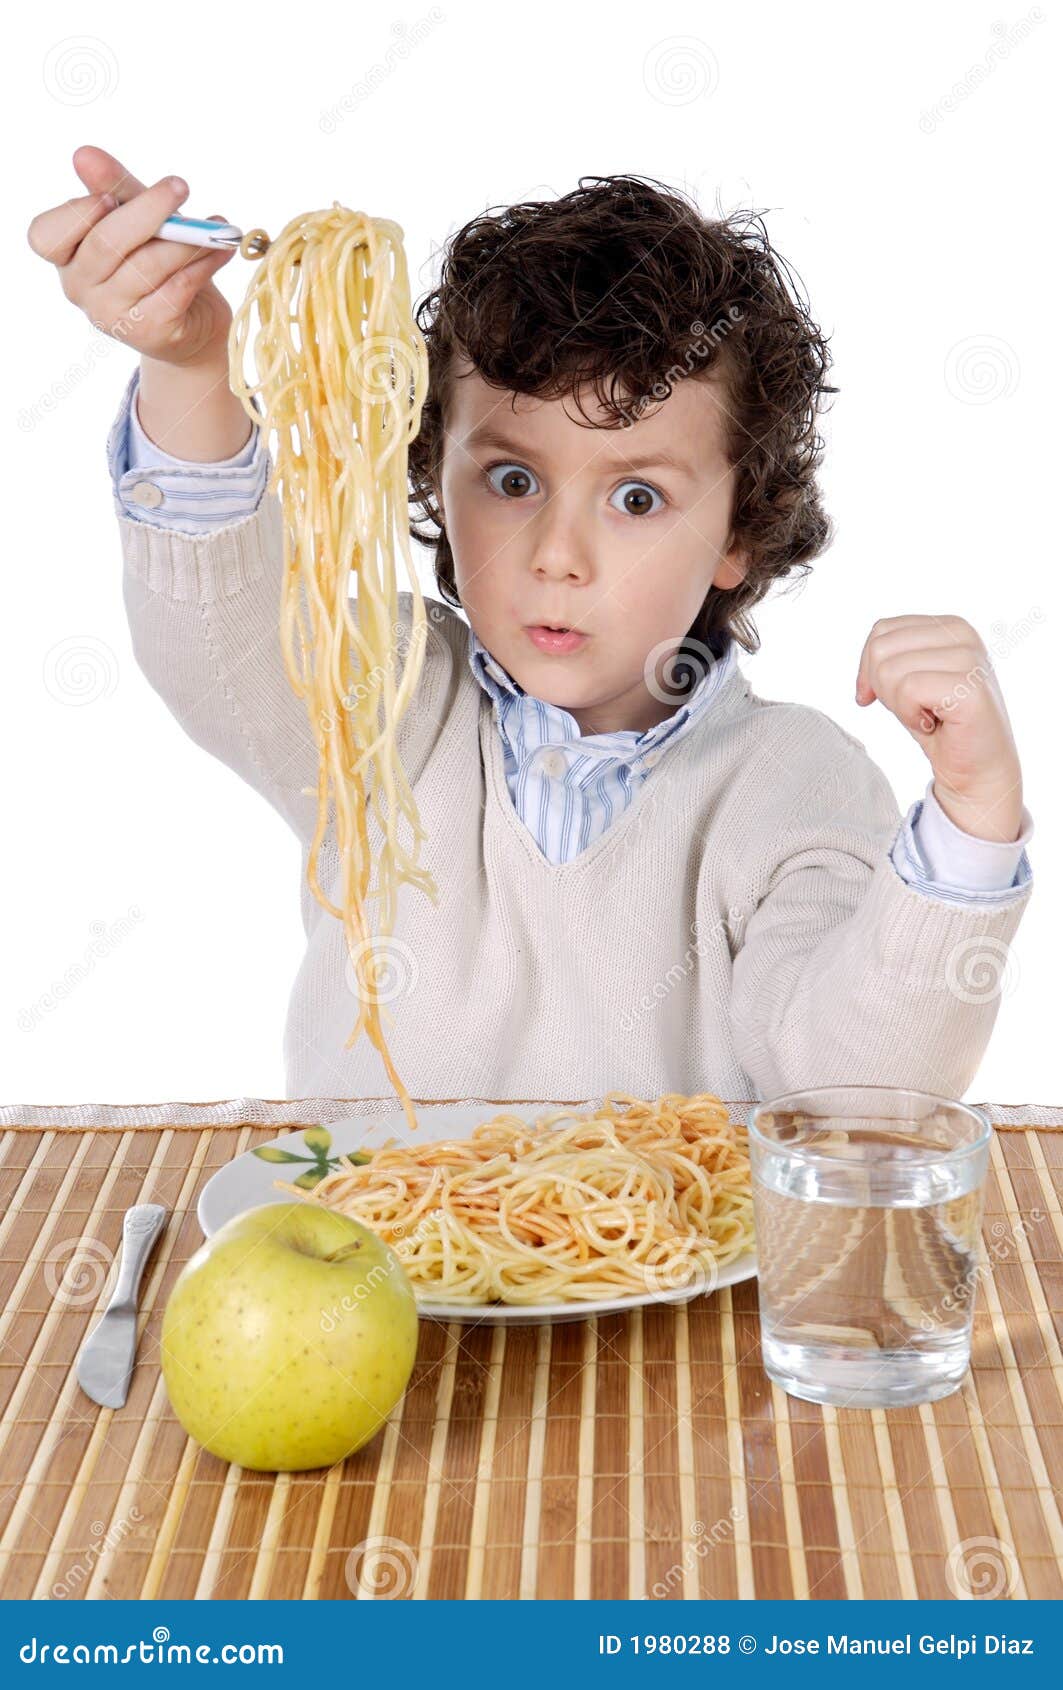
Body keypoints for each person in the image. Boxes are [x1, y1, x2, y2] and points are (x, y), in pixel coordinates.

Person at [27, 147, 1034, 1105]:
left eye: (636, 499)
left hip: (669, 1285)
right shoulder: (381, 697)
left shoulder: (796, 783)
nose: (559, 553)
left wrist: (973, 817)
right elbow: (221, 634)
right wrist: (194, 364)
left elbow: (855, 1093)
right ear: (432, 474)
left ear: (739, 532)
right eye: (512, 480)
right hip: (368, 1271)